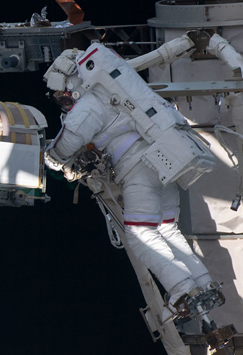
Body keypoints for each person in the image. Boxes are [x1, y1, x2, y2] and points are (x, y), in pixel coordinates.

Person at [43, 47, 216, 321]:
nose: (63, 103)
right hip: (162, 159)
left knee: (140, 234)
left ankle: (182, 290)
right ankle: (203, 284)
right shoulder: (115, 90)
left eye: (63, 96)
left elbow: (68, 142)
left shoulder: (90, 104)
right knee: (166, 229)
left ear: (73, 85)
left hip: (138, 169)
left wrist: (50, 159)